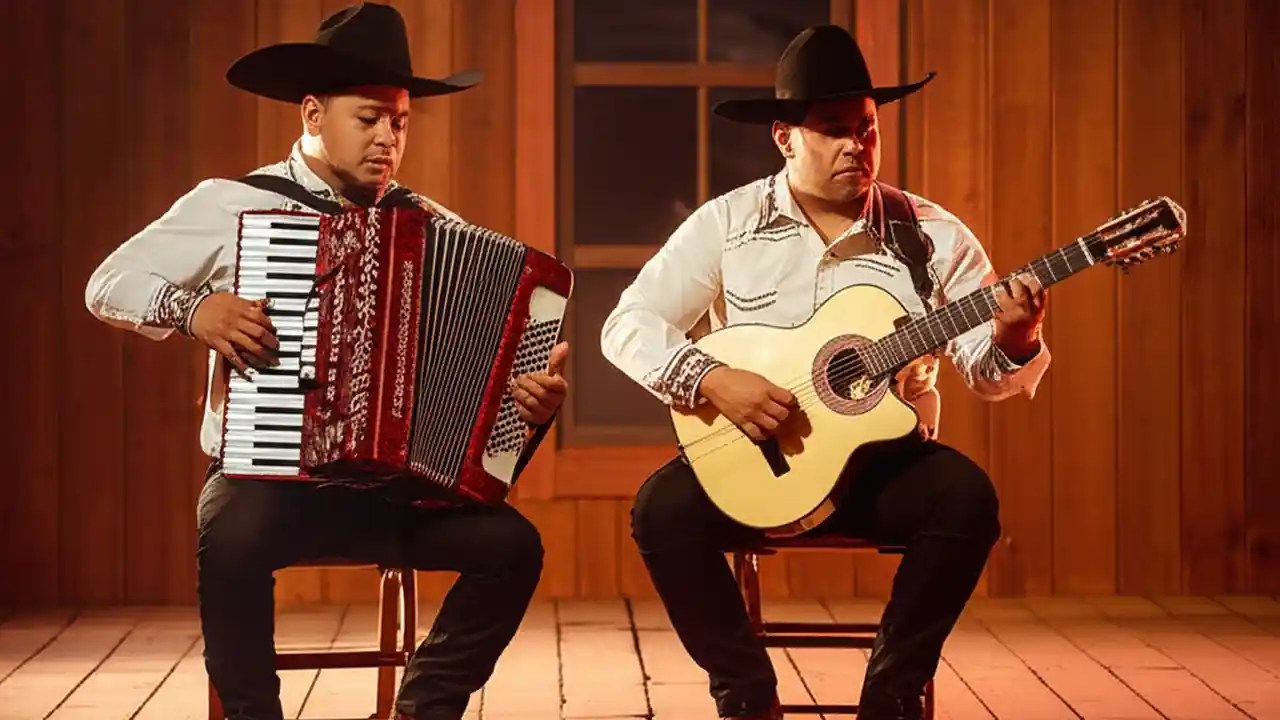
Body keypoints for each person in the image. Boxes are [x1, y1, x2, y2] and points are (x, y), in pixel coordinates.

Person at [84, 5, 566, 720]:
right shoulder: (235, 204)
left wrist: (526, 403)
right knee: (230, 536)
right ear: (313, 114)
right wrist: (194, 311)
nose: (387, 140)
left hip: (391, 492)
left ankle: (423, 710)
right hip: (273, 486)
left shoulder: (431, 225)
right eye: (368, 118)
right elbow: (106, 285)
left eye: (398, 123)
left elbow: (477, 379)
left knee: (514, 548)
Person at [600, 25, 1050, 720]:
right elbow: (626, 326)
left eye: (867, 130)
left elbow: (988, 375)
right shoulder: (728, 224)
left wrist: (1018, 336)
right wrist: (712, 379)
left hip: (883, 468)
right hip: (757, 462)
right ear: (785, 137)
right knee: (661, 511)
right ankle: (746, 695)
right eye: (834, 130)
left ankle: (892, 692)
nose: (856, 147)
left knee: (967, 500)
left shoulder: (930, 235)